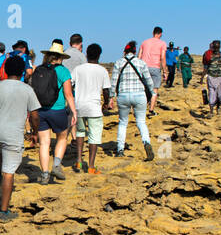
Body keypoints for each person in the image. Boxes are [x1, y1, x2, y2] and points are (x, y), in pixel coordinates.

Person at [0, 53, 39, 221]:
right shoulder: (27, 90)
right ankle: (4, 211)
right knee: (9, 173)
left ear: (5, 70)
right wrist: (34, 133)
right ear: (22, 72)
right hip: (12, 135)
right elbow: (34, 116)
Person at [33, 40, 77, 182]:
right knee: (62, 137)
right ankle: (56, 165)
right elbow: (68, 94)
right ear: (61, 57)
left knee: (44, 143)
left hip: (41, 110)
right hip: (57, 110)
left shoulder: (39, 69)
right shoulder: (63, 71)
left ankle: (44, 174)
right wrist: (74, 112)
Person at [111, 40, 155, 160]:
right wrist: (153, 93)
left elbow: (114, 81)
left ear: (124, 51)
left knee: (123, 122)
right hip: (139, 95)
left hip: (123, 95)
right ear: (135, 52)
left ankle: (120, 149)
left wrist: (111, 96)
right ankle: (146, 142)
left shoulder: (118, 62)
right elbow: (149, 80)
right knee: (141, 121)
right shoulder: (141, 63)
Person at [71, 43, 111, 175]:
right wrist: (106, 103)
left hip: (79, 106)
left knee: (80, 133)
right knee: (94, 137)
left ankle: (78, 160)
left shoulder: (79, 69)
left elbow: (70, 84)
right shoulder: (102, 70)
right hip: (94, 107)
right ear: (99, 55)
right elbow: (106, 90)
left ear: (86, 54)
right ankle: (91, 166)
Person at [137, 26, 168, 114]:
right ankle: (151, 110)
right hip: (155, 68)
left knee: (143, 89)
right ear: (160, 34)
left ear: (153, 32)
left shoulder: (144, 42)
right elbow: (162, 57)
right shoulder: (162, 43)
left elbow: (139, 57)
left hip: (143, 67)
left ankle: (140, 108)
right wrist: (165, 72)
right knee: (154, 90)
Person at [203, 40, 221, 116]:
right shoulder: (208, 55)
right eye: (215, 46)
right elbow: (206, 66)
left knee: (219, 95)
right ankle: (211, 111)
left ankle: (218, 107)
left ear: (219, 47)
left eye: (217, 46)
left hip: (219, 77)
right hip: (211, 76)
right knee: (211, 94)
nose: (216, 48)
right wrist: (202, 77)